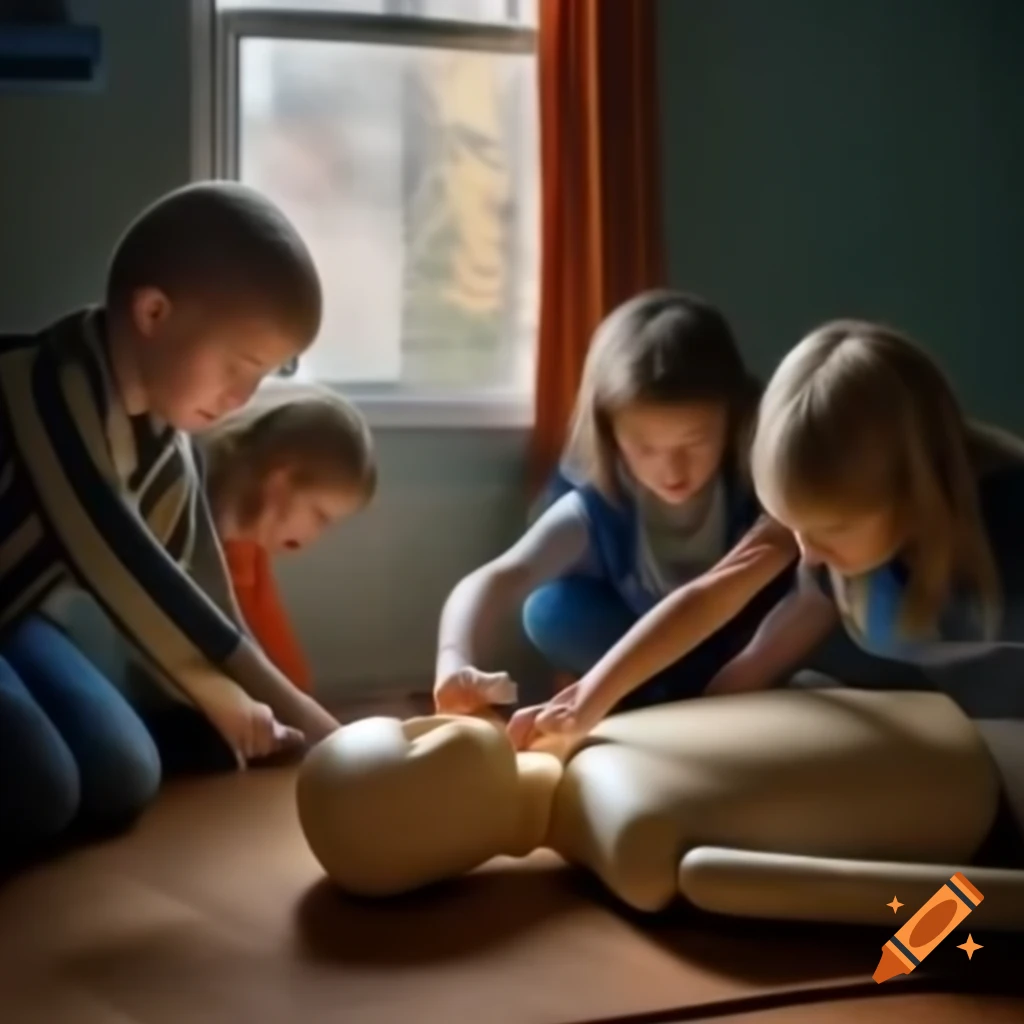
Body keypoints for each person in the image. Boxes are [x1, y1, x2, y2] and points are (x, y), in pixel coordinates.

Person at [0, 181, 341, 867]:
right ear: (154, 312)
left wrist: (235, 696)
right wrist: (322, 730)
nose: (243, 397)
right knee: (44, 790)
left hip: (18, 620)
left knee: (127, 774)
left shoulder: (166, 435)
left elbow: (202, 584)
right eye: (238, 368)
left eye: (265, 376)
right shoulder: (45, 387)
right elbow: (128, 568)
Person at [706, 319, 1024, 852]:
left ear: (913, 490)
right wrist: (711, 703)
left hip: (1004, 733)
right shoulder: (855, 536)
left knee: (980, 880)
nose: (807, 552)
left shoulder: (1009, 522)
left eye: (831, 530)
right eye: (795, 528)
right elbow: (793, 619)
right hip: (953, 728)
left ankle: (923, 938)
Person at [434, 290, 795, 729]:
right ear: (610, 435)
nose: (672, 469)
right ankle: (655, 694)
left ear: (734, 417)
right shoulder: (596, 506)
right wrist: (453, 659)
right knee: (550, 611)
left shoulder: (763, 487)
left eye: (695, 442)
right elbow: (500, 577)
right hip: (642, 665)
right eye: (645, 448)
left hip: (746, 650)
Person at [201, 384, 376, 694]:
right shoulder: (196, 530)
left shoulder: (247, 549)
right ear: (279, 482)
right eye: (321, 516)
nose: (320, 535)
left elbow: (281, 661)